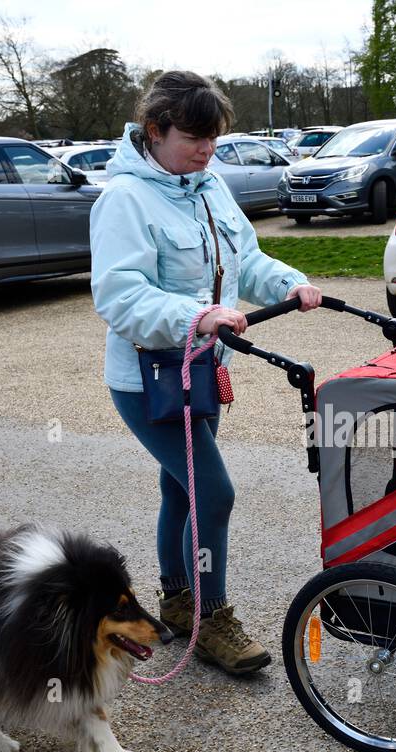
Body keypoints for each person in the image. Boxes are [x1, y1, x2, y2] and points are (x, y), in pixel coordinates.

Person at [90, 70, 322, 676]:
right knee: (213, 491)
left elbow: (245, 256)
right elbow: (120, 297)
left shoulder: (209, 184)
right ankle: (210, 615)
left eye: (214, 136)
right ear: (154, 130)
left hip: (201, 370)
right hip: (148, 380)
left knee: (181, 486)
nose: (207, 148)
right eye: (194, 137)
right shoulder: (124, 200)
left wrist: (289, 284)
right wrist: (199, 315)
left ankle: (174, 597)